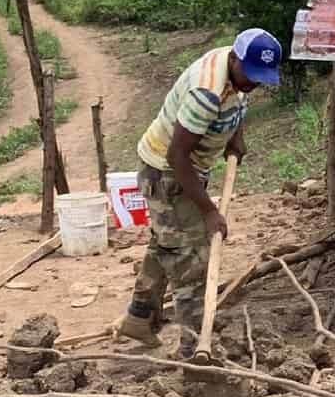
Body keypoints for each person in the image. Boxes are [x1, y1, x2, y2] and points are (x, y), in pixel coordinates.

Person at [116, 28, 283, 353]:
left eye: (259, 77)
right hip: (167, 173)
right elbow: (176, 156)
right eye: (249, 74)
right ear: (234, 59)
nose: (253, 82)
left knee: (168, 241)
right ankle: (194, 349)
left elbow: (237, 98)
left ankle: (139, 318)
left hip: (188, 169)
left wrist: (235, 134)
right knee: (189, 258)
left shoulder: (236, 69)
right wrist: (209, 210)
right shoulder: (205, 92)